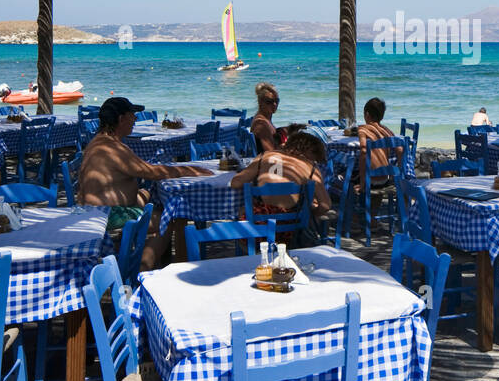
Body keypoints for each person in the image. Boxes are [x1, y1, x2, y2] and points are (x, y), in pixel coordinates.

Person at [76, 97, 211, 270]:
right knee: (168, 220)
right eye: (132, 115)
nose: (135, 119)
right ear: (121, 119)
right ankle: (141, 268)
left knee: (147, 196)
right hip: (107, 214)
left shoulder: (98, 141)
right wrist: (190, 170)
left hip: (92, 209)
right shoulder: (114, 149)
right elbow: (153, 173)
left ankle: (148, 259)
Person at [230, 131, 332, 241]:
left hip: (259, 227)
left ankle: (249, 248)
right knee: (309, 211)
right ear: (309, 151)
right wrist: (311, 212)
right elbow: (326, 205)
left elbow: (235, 183)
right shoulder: (311, 168)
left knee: (243, 210)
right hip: (292, 228)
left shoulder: (265, 156)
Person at [356, 97, 403, 187]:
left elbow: (363, 152)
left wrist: (362, 183)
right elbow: (400, 150)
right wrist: (398, 175)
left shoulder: (362, 130)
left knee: (343, 175)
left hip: (370, 181)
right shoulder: (386, 130)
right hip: (385, 180)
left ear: (367, 114)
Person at [250, 81, 285, 153]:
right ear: (260, 102)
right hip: (267, 159)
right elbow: (270, 153)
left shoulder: (266, 119)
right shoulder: (261, 124)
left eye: (277, 101)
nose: (274, 104)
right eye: (269, 101)